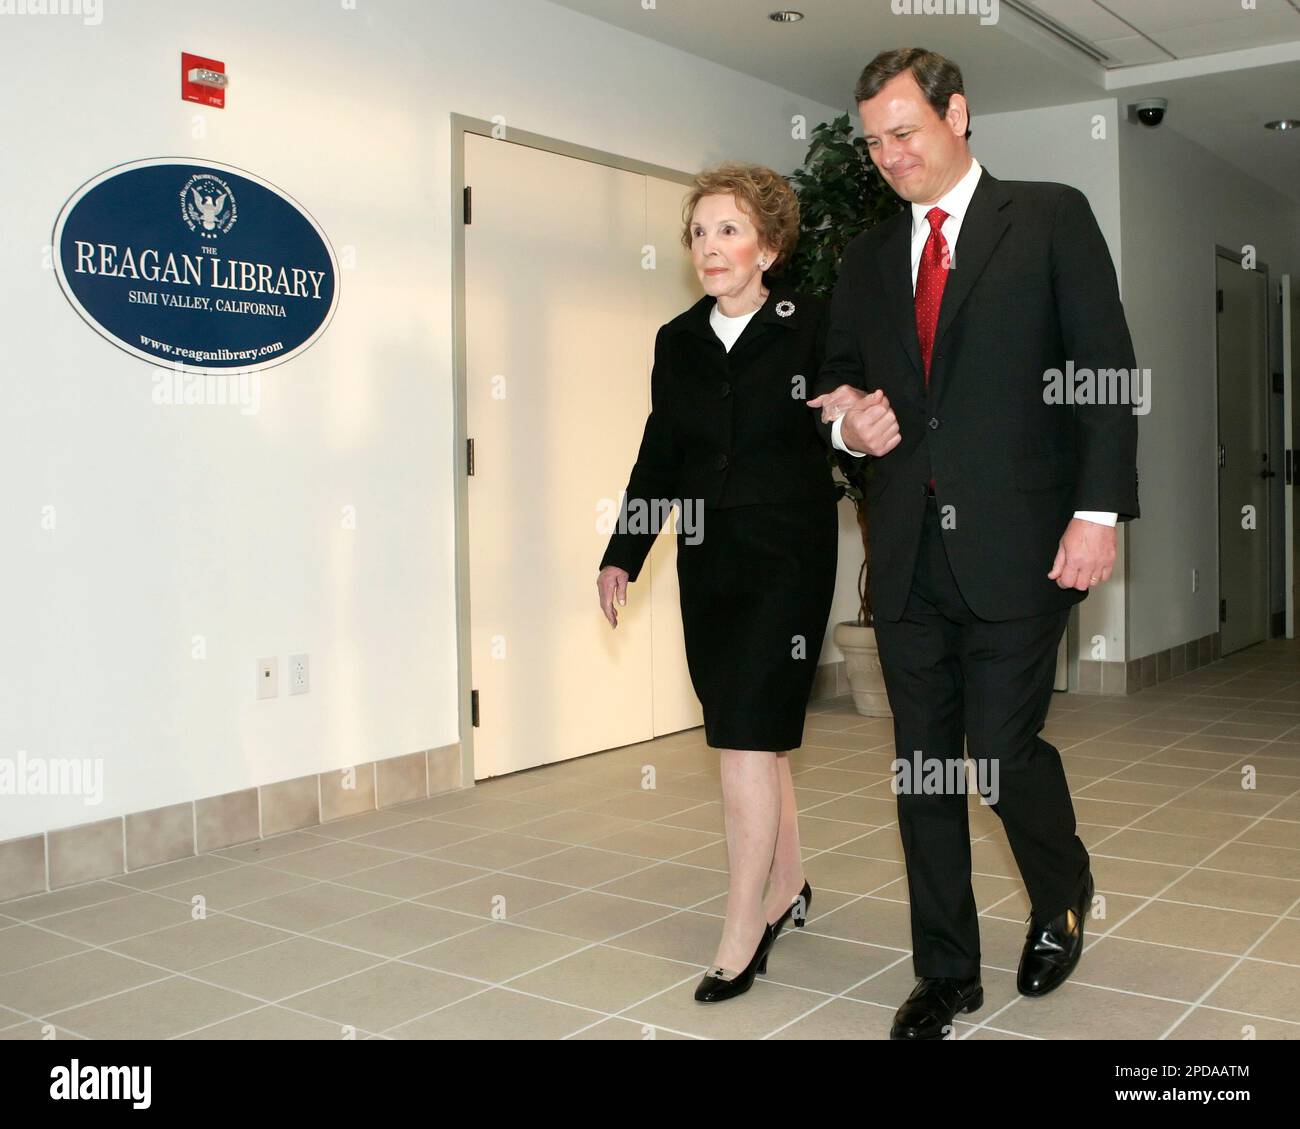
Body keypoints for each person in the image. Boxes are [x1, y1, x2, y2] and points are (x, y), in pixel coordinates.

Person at [808, 48, 1139, 1040]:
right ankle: (946, 973)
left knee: (995, 754)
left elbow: (1106, 372)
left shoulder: (1046, 217)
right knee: (923, 769)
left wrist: (1098, 512)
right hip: (906, 550)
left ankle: (1061, 883)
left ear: (958, 113)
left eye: (904, 132)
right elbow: (829, 379)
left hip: (1022, 542)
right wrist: (841, 421)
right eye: (872, 142)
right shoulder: (868, 257)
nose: (888, 156)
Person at [597, 163, 842, 1002]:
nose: (711, 246)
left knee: (743, 735)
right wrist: (623, 550)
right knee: (754, 729)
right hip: (709, 557)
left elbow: (849, 426)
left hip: (788, 556)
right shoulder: (678, 339)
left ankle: (745, 926)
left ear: (769, 244)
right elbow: (661, 454)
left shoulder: (811, 325)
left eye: (729, 229)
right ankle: (792, 881)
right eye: (700, 232)